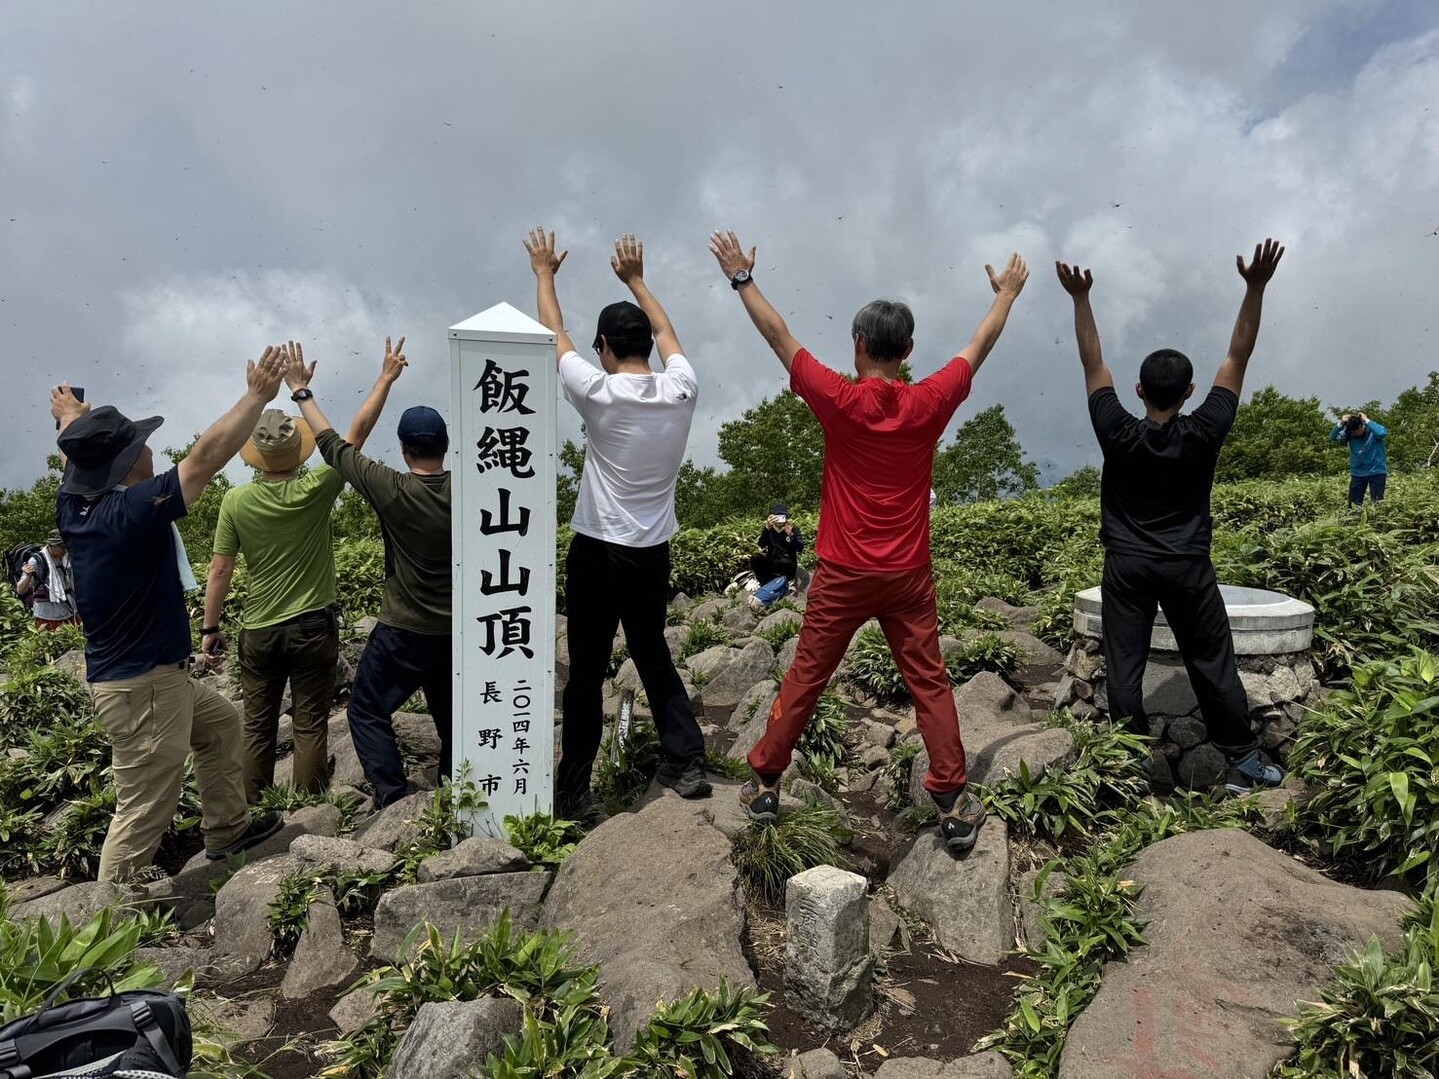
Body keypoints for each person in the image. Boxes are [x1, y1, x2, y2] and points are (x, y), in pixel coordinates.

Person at [709, 228, 1029, 852]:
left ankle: (766, 781)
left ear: (857, 345)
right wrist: (1007, 295)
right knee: (929, 682)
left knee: (807, 674)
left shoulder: (839, 399)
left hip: (841, 574)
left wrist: (742, 278)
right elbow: (978, 346)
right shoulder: (930, 401)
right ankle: (952, 799)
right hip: (908, 577)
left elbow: (778, 336)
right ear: (908, 350)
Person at [1054, 238, 1287, 795]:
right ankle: (1243, 759)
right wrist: (1255, 287)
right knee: (1211, 660)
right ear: (1189, 391)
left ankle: (1128, 764)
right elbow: (1237, 357)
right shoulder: (1205, 430)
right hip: (1187, 566)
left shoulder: (1116, 430)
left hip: (1127, 565)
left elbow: (1092, 362)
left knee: (1125, 662)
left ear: (1139, 390)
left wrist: (1081, 299)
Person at [51, 349, 291, 883]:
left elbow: (73, 456)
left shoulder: (74, 503)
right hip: (146, 688)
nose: (149, 448)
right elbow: (205, 457)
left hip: (150, 678)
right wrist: (256, 397)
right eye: (139, 444)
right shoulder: (130, 512)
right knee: (143, 808)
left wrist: (70, 416)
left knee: (221, 726)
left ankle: (228, 829)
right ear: (121, 466)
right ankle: (110, 916)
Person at [525, 227, 711, 823]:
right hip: (653, 552)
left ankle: (574, 791)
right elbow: (669, 331)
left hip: (599, 552)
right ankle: (686, 760)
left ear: (604, 346)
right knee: (651, 651)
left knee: (586, 672)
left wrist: (544, 274)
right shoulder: (681, 388)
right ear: (648, 346)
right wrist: (636, 280)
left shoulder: (599, 393)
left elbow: (554, 333)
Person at [202, 337, 409, 803]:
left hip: (259, 628)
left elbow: (219, 570)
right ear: (298, 447)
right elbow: (356, 434)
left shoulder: (236, 500)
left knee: (257, 723)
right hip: (313, 625)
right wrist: (384, 379)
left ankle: (254, 807)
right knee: (310, 721)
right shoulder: (318, 485)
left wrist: (210, 628)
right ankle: (310, 807)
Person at [284, 342, 453, 810]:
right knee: (451, 713)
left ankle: (393, 796)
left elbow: (333, 444)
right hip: (457, 631)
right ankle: (455, 787)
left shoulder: (391, 488)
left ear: (403, 449)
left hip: (403, 630)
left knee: (366, 708)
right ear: (445, 446)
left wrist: (302, 392)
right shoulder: (472, 490)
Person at [16, 530, 81, 629]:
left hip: (70, 611)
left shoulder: (65, 558)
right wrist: (28, 576)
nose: (65, 550)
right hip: (47, 616)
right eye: (62, 547)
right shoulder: (36, 561)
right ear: (52, 545)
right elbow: (20, 590)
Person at [748, 504, 805, 611]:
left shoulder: (793, 529)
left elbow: (800, 548)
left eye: (782, 517)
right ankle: (766, 585)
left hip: (787, 566)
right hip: (772, 565)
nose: (780, 520)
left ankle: (784, 583)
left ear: (786, 518)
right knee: (756, 558)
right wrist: (766, 529)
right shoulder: (769, 530)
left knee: (785, 562)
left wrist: (791, 535)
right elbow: (761, 544)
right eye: (777, 517)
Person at [1330, 412, 1387, 505]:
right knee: (1353, 504)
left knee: (1377, 502)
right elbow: (1333, 437)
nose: (1353, 434)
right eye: (1351, 433)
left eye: (1355, 432)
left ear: (1361, 426)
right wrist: (1341, 423)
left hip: (1376, 471)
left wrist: (1367, 420)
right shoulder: (1349, 434)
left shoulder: (1373, 431)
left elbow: (1382, 433)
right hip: (1358, 473)